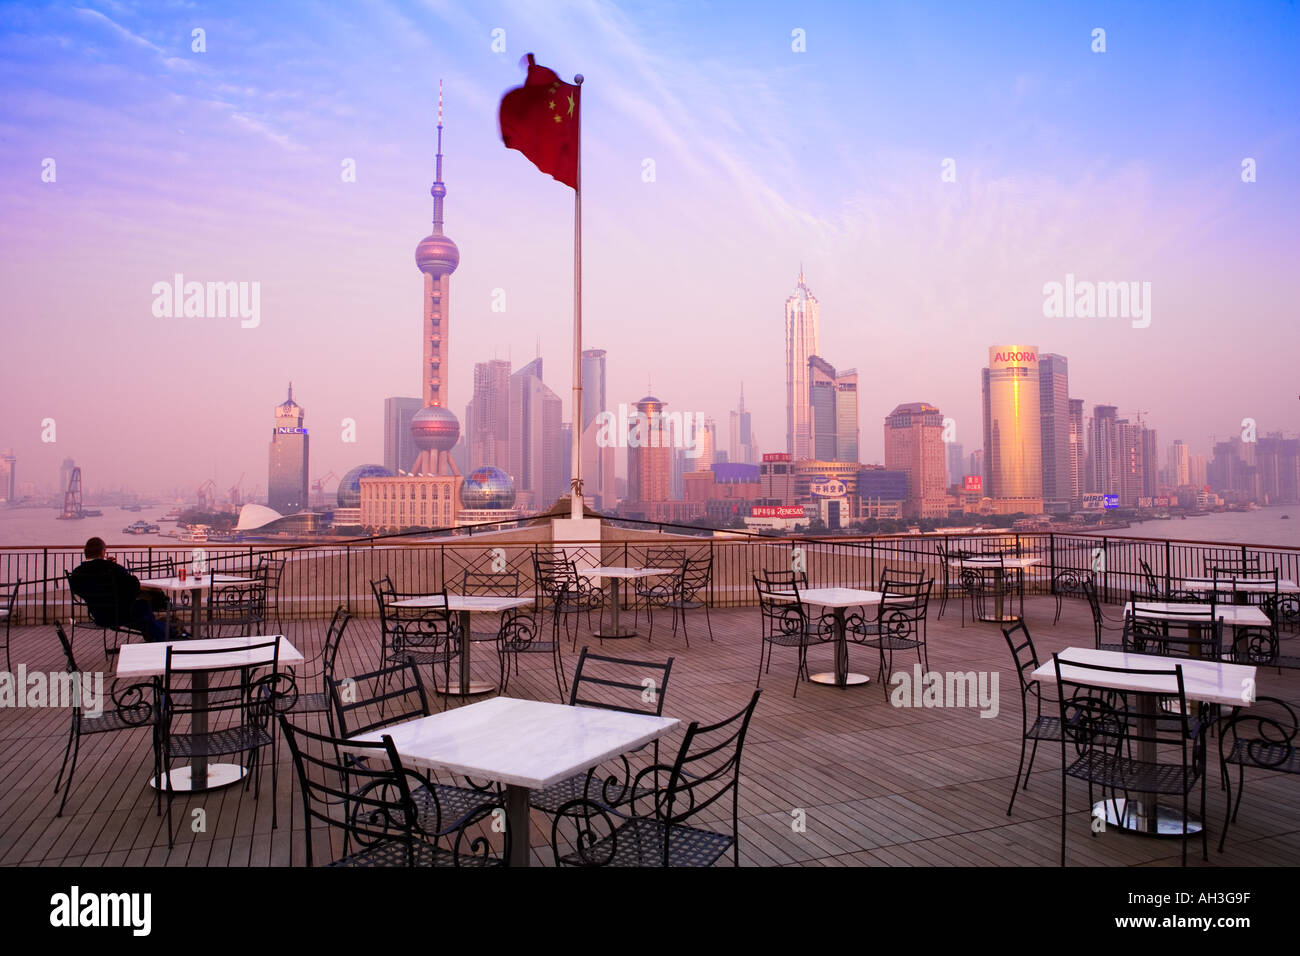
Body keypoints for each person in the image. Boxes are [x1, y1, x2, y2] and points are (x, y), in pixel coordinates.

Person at [68, 537, 186, 642]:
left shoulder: (77, 573)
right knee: (143, 606)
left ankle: (161, 632)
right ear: (103, 552)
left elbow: (82, 590)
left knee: (144, 616)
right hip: (120, 614)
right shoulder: (113, 569)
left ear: (86, 553)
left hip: (98, 616)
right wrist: (112, 566)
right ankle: (167, 633)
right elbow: (132, 586)